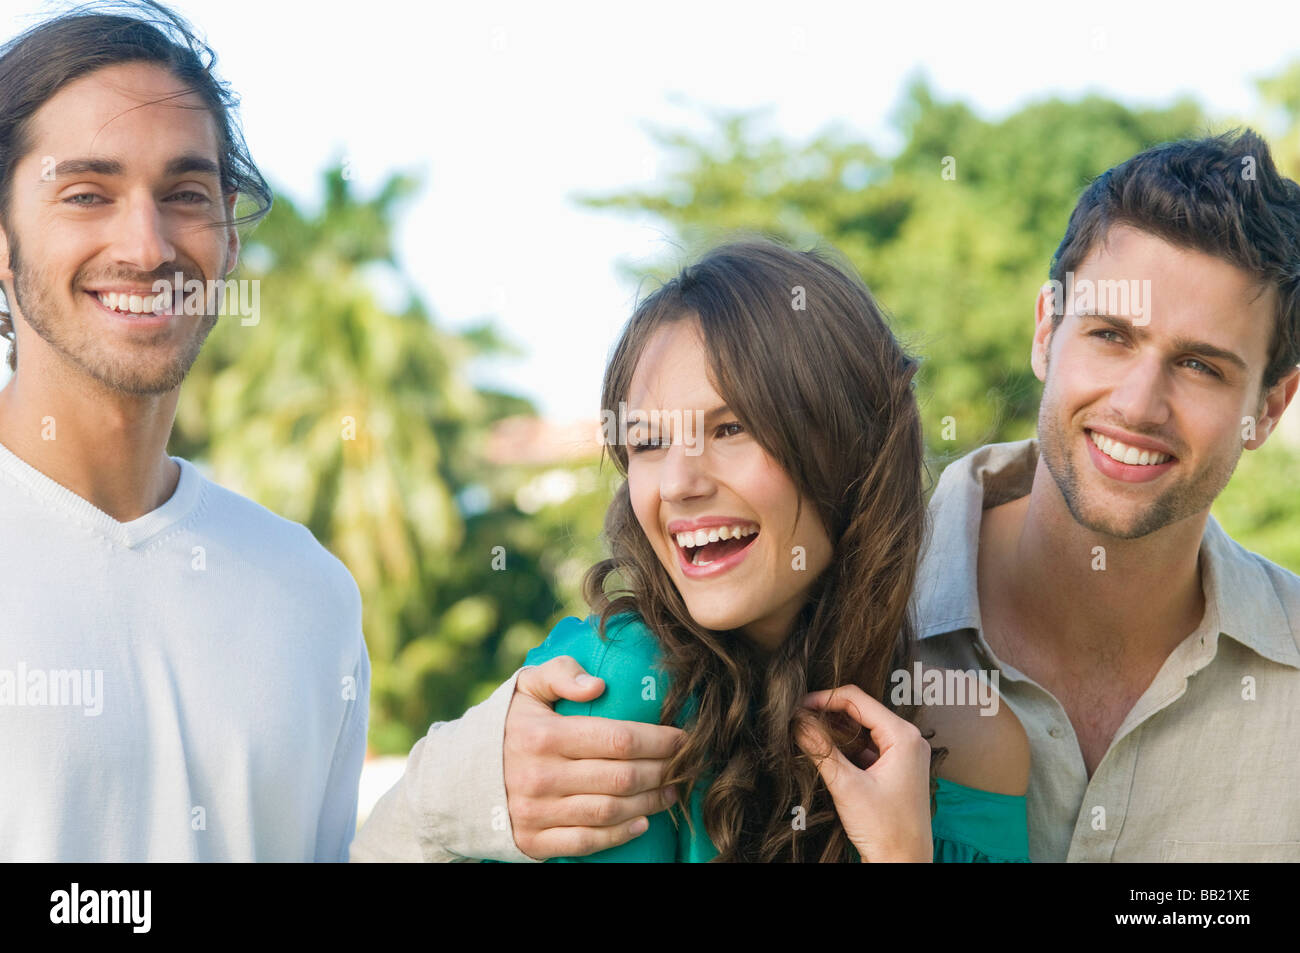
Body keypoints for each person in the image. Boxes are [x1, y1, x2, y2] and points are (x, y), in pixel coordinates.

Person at [352, 129, 1300, 864]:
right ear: (1046, 330)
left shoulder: (966, 734)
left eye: (1203, 366)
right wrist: (470, 776)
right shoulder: (623, 688)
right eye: (1112, 336)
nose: (1139, 402)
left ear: (1272, 405)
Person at [354, 239, 1030, 862]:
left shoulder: (971, 732)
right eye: (648, 443)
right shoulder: (619, 690)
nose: (678, 484)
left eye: (731, 427)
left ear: (851, 444)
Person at [0, 1, 369, 861]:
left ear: (230, 241)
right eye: (87, 193)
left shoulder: (310, 595)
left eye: (186, 194)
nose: (147, 243)